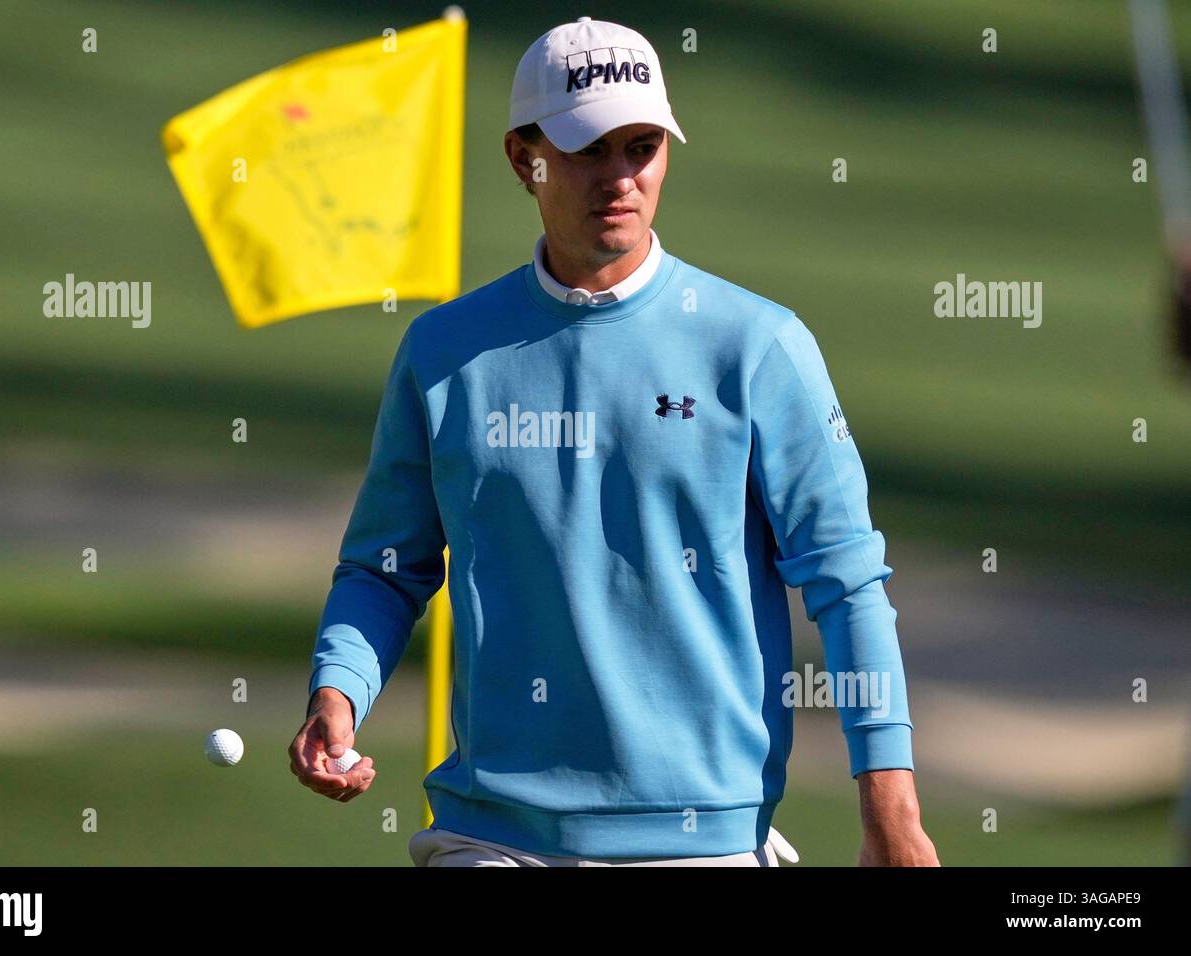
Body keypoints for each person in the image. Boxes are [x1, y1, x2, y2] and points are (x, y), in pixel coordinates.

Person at [288, 16, 939, 867]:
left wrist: (891, 810)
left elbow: (847, 584)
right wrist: (336, 691)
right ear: (526, 158)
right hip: (493, 835)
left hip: (703, 841)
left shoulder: (755, 345)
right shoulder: (445, 352)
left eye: (641, 147)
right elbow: (384, 569)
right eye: (589, 149)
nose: (620, 177)